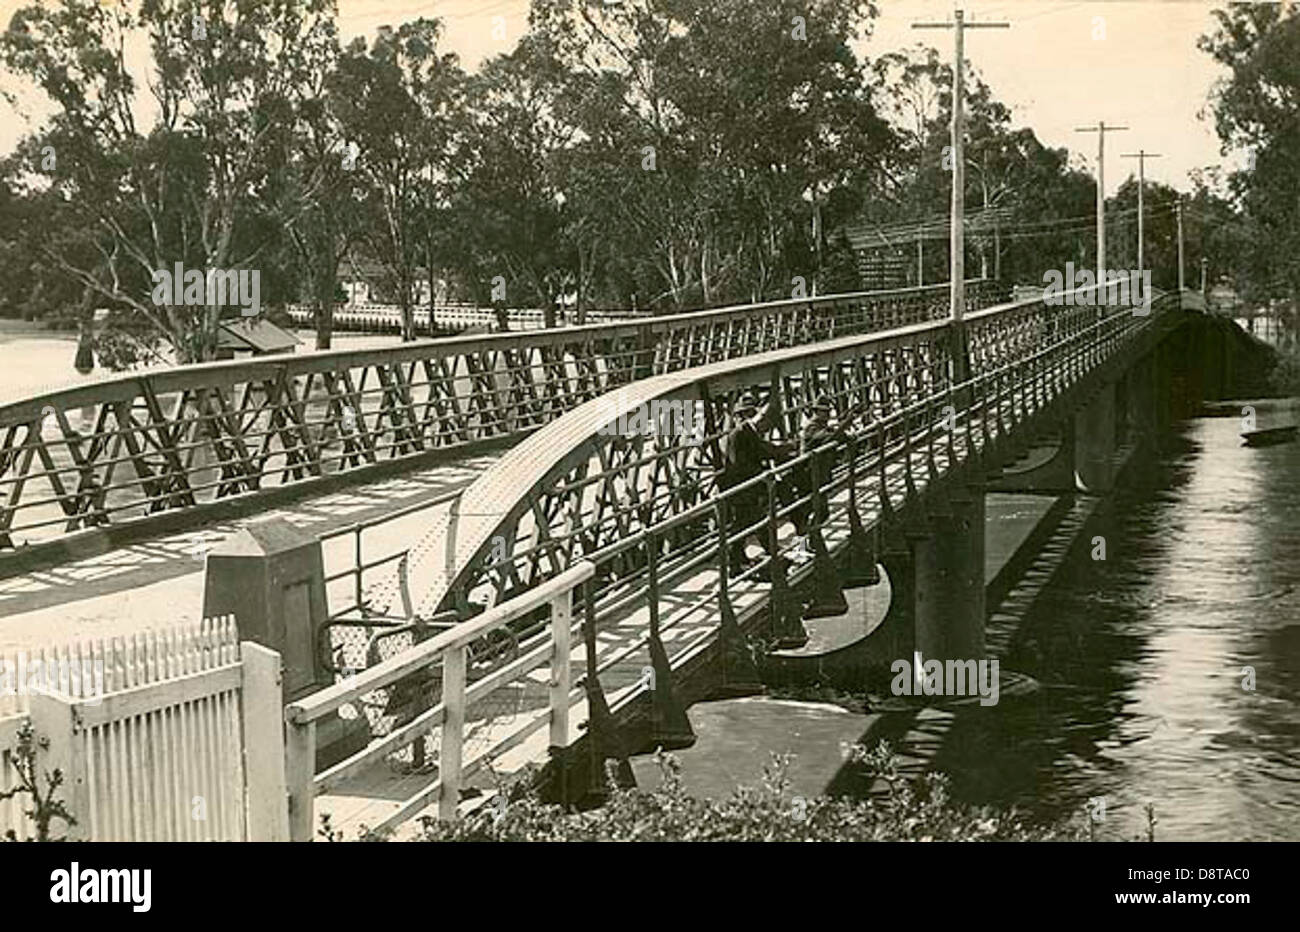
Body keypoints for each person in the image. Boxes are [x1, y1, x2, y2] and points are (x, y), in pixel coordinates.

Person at [717, 391, 789, 573]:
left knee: (744, 524)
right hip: (742, 488)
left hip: (745, 488)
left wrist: (783, 450)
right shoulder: (741, 433)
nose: (767, 428)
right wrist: (764, 470)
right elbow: (748, 459)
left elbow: (763, 450)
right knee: (755, 522)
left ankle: (738, 561)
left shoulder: (746, 431)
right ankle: (771, 554)